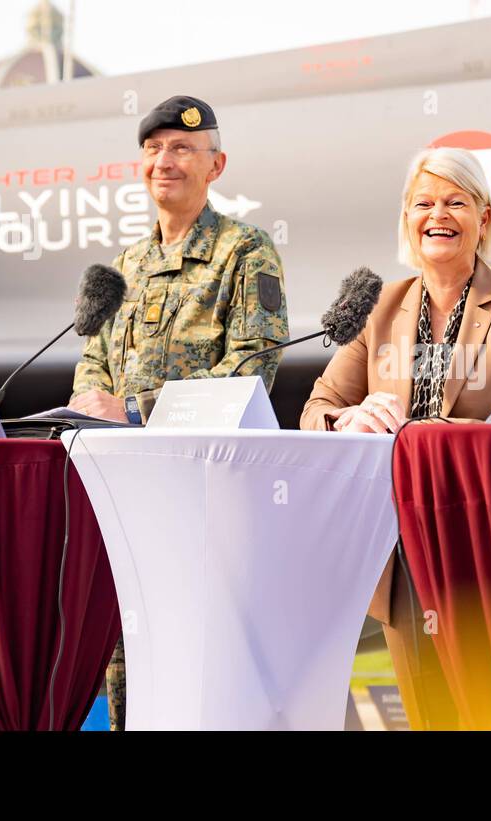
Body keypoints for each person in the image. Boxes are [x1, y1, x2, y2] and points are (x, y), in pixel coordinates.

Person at [300, 147, 491, 729]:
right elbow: (317, 408)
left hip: (490, 537)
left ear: (483, 217)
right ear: (407, 218)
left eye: (455, 202)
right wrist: (351, 419)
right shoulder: (378, 307)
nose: (437, 215)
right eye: (424, 203)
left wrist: (426, 434)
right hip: (400, 544)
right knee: (428, 713)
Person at [70, 95, 290, 731]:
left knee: (199, 670)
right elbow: (94, 363)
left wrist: (134, 411)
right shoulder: (125, 267)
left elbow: (253, 369)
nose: (165, 161)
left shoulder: (244, 252)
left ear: (215, 166)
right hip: (125, 496)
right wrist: (92, 406)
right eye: (154, 149)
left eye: (183, 150)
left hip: (204, 497)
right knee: (128, 668)